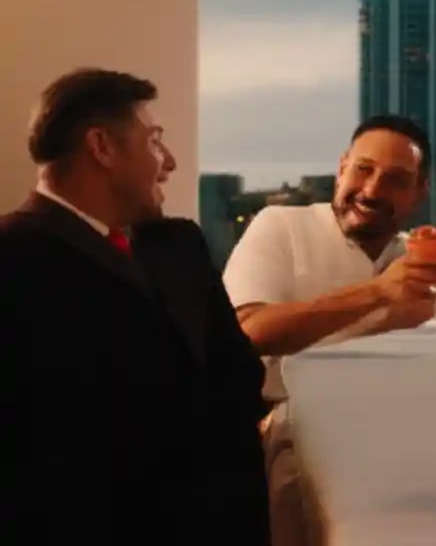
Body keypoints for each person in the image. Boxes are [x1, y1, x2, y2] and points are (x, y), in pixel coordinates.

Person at [0, 68, 269, 543]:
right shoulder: (13, 258)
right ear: (101, 146)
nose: (170, 162)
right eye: (154, 141)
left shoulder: (178, 245)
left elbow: (241, 377)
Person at [222, 114, 436, 545]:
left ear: (419, 193)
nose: (372, 190)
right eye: (363, 169)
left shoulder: (412, 256)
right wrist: (379, 292)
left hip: (395, 437)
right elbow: (244, 333)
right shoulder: (280, 225)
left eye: (396, 180)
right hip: (286, 431)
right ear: (342, 167)